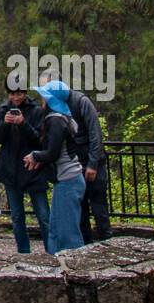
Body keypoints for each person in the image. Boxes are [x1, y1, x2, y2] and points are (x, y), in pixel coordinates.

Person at [23, 81, 85, 253]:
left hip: (67, 180)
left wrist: (35, 155)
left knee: (68, 236)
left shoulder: (55, 120)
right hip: (67, 180)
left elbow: (53, 153)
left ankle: (74, 272)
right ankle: (55, 268)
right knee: (56, 232)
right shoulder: (66, 117)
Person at [0, 73, 50, 253]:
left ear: (25, 92)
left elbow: (40, 141)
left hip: (33, 168)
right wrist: (5, 124)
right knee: (17, 217)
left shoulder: (36, 110)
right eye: (12, 93)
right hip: (11, 170)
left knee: (43, 215)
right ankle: (23, 252)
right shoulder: (4, 109)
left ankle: (51, 251)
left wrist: (23, 123)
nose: (16, 97)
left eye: (19, 93)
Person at [68, 87, 112, 243]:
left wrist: (93, 164)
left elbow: (95, 134)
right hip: (75, 166)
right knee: (81, 212)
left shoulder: (81, 102)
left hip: (93, 165)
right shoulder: (57, 105)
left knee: (99, 210)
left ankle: (107, 245)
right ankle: (86, 247)